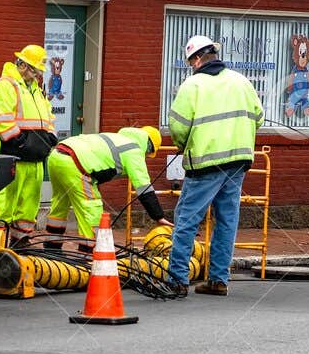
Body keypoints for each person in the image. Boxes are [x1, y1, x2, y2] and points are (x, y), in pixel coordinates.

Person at [167, 35, 264, 296]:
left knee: (187, 219)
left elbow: (178, 126)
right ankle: (219, 280)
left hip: (206, 162)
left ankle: (177, 279)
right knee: (227, 220)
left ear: (197, 59)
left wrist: (182, 144)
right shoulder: (241, 81)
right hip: (237, 162)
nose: (191, 66)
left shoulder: (192, 85)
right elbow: (258, 117)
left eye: (191, 62)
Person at [43, 125, 168, 243]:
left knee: (60, 203)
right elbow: (144, 187)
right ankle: (88, 253)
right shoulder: (133, 150)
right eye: (148, 154)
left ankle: (51, 249)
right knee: (92, 208)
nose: (146, 156)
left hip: (56, 155)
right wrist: (158, 216)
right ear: (149, 146)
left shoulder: (119, 138)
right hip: (75, 164)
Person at [0, 45, 55, 238]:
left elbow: (48, 116)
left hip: (34, 157)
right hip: (11, 155)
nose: (38, 75)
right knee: (4, 201)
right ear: (22, 65)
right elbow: (0, 117)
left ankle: (20, 241)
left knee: (29, 204)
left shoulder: (36, 90)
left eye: (39, 71)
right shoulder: (6, 85)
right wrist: (20, 141)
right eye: (34, 70)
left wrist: (51, 136)